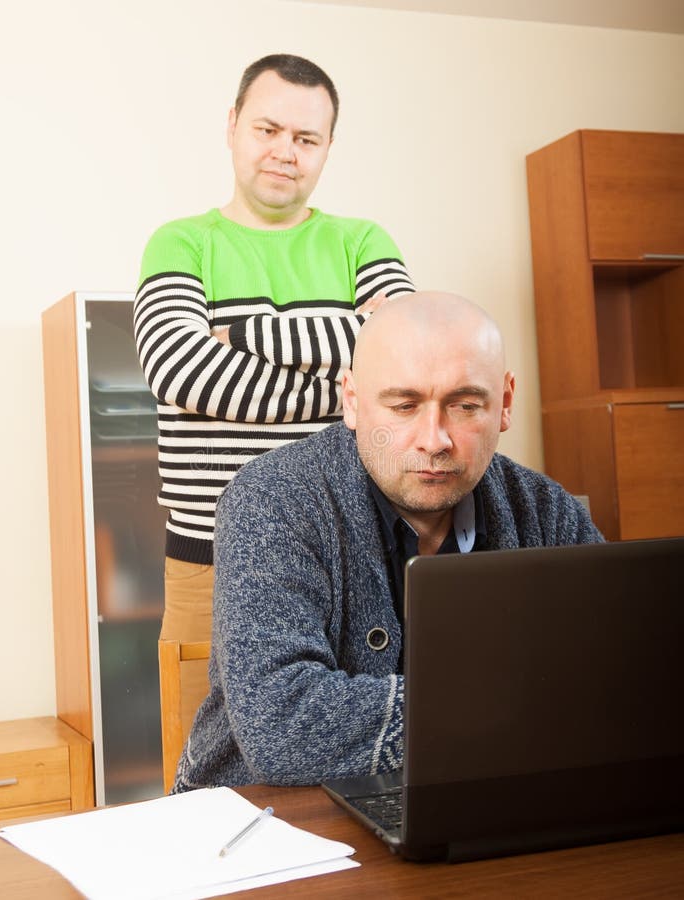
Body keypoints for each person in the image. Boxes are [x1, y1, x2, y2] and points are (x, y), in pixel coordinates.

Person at [172, 292, 604, 791]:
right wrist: (516, 707)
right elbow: (283, 728)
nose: (434, 439)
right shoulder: (272, 503)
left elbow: (617, 673)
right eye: (404, 405)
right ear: (351, 401)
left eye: (464, 406)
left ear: (504, 403)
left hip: (474, 798)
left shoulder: (548, 511)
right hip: (265, 823)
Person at [133, 54, 414, 660]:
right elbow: (180, 370)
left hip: (352, 552)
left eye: (306, 138)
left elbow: (404, 363)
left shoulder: (363, 241)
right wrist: (346, 381)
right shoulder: (180, 242)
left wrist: (243, 332)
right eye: (268, 129)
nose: (286, 151)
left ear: (327, 147)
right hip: (209, 556)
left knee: (356, 743)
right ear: (232, 124)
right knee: (205, 753)